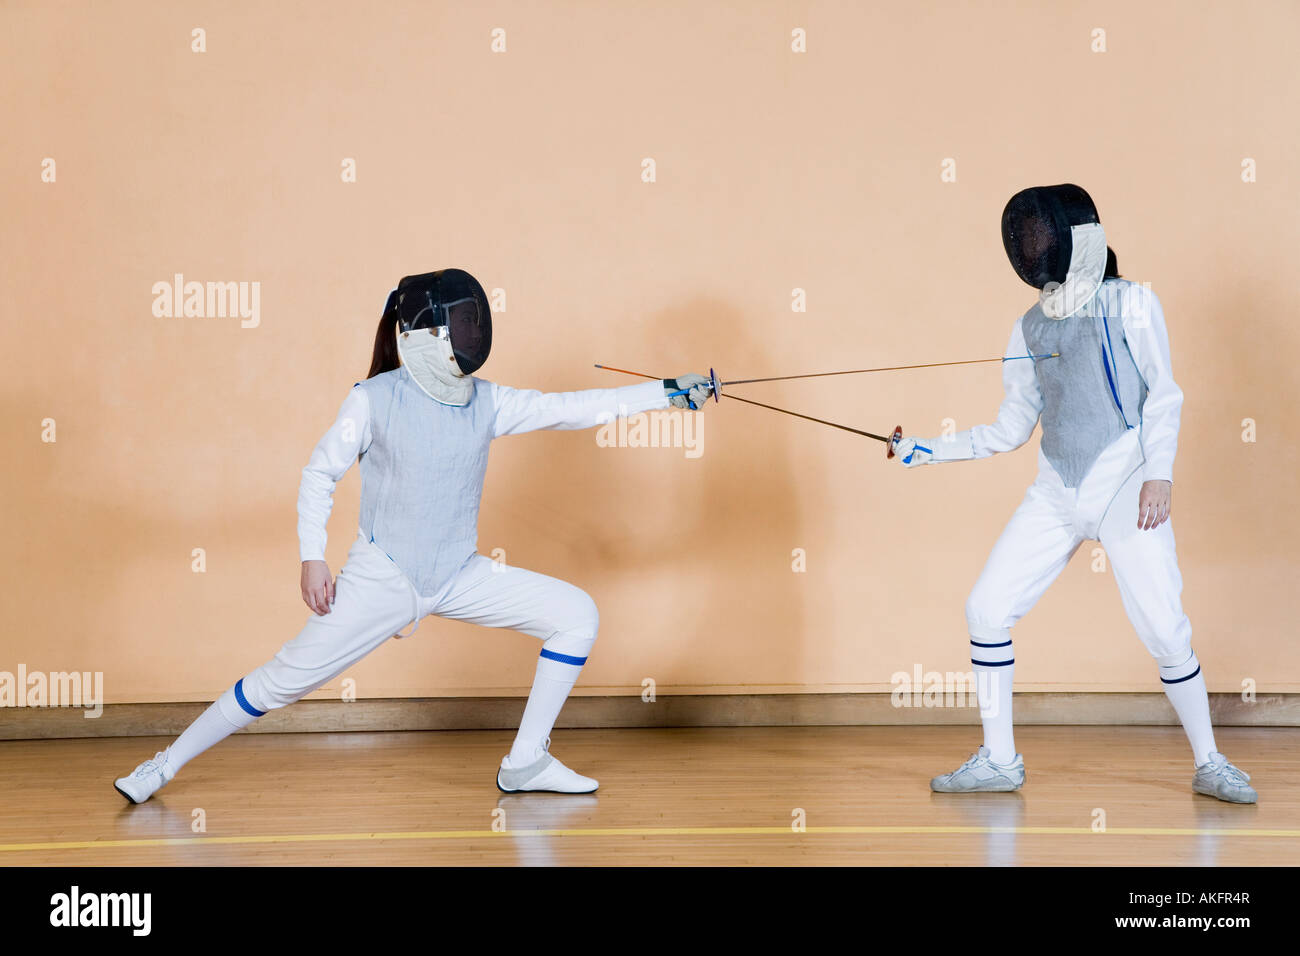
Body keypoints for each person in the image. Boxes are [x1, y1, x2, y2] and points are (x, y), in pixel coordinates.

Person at [115, 269, 711, 802]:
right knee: (280, 682)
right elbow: (319, 474)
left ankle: (526, 762)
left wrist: (665, 392)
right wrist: (311, 557)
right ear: (427, 333)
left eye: (474, 322)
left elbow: (571, 407)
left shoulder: (488, 401)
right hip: (384, 578)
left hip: (458, 574)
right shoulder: (372, 400)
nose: (472, 333)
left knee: (576, 614)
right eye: (462, 323)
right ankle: (163, 765)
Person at [892, 186, 1256, 803]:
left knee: (1166, 630)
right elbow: (1011, 428)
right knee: (986, 608)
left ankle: (1211, 763)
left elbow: (1164, 393)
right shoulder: (1029, 325)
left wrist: (1159, 473)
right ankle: (999, 761)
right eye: (1026, 237)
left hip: (1126, 483)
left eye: (1041, 234)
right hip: (1056, 490)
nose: (1032, 246)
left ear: (1075, 238)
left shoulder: (1132, 302)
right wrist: (925, 449)